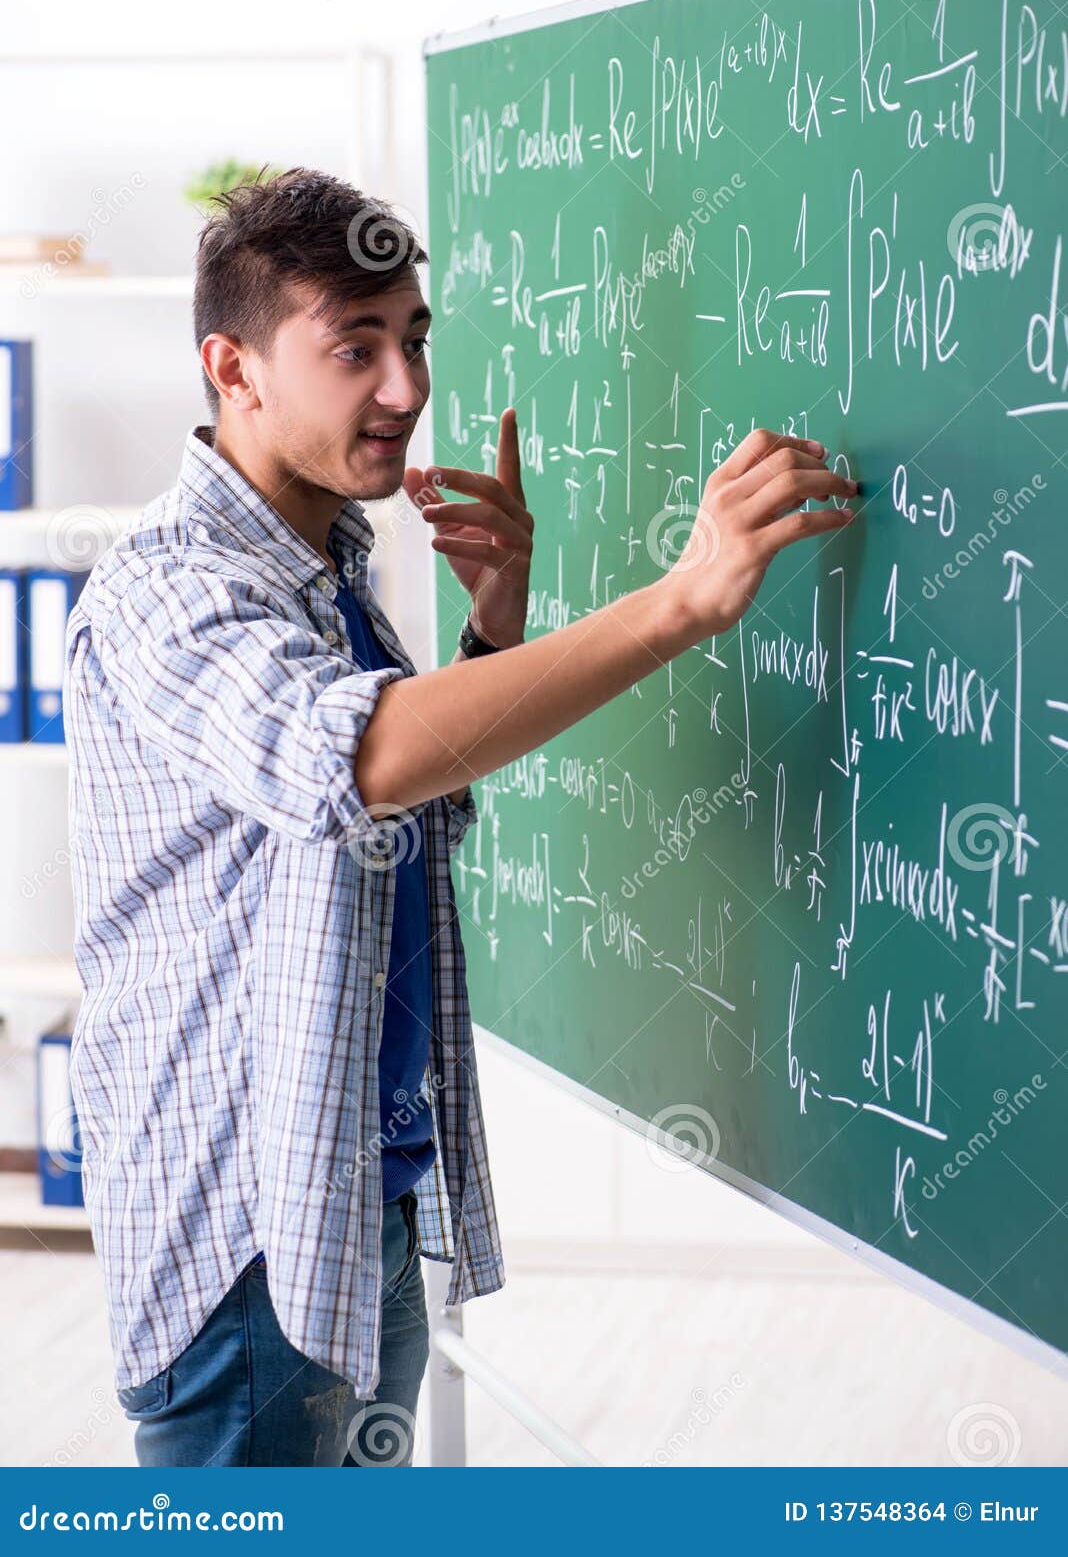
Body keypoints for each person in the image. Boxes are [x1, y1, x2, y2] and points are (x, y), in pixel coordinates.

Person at [63, 167, 856, 1466]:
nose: (405, 387)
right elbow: (362, 762)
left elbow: (400, 828)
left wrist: (492, 632)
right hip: (246, 1223)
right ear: (236, 366)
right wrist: (686, 597)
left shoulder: (326, 564)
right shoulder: (169, 591)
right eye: (355, 348)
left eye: (414, 337)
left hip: (353, 1181)